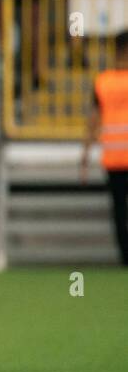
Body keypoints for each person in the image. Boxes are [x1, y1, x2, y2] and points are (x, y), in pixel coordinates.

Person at [81, 31, 128, 265]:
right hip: (120, 157)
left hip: (112, 157)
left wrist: (85, 157)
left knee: (119, 210)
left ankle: (124, 256)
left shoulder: (103, 81)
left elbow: (93, 120)